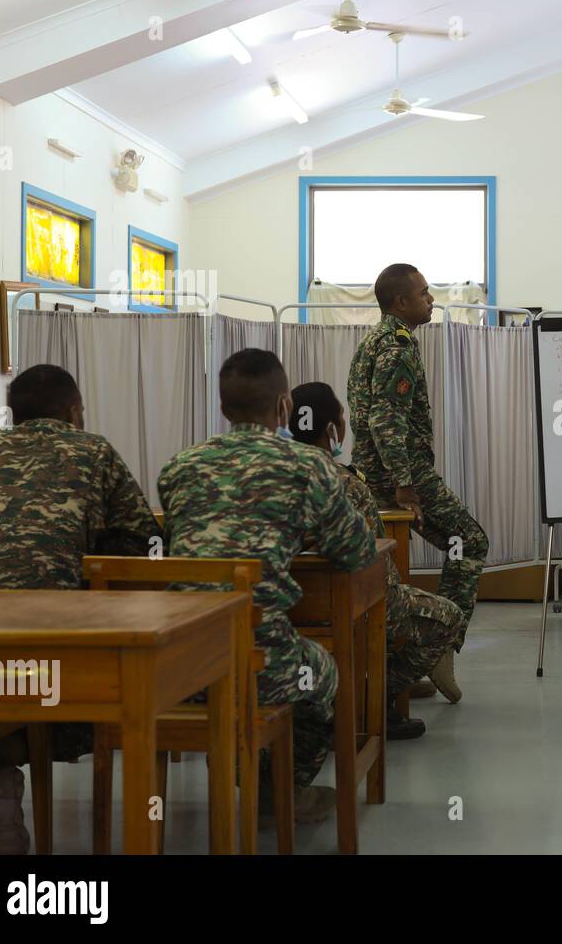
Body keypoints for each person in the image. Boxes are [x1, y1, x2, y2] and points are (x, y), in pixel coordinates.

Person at [159, 349, 378, 824]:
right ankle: (281, 792)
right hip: (263, 662)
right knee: (326, 673)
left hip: (179, 663)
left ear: (222, 410)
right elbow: (357, 554)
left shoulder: (179, 467)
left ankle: (240, 762)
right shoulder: (309, 467)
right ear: (284, 407)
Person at [0, 364, 159, 853]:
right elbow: (142, 539)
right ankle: (4, 770)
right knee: (86, 694)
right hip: (52, 652)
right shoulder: (93, 450)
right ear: (74, 412)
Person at [289, 381, 465, 739]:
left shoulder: (272, 477)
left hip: (286, 608)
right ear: (331, 429)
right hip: (348, 607)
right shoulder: (348, 485)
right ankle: (371, 698)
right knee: (448, 619)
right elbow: (378, 578)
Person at [347, 264, 489, 703]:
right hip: (401, 475)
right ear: (400, 302)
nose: (431, 300)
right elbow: (385, 419)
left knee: (447, 549)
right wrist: (406, 486)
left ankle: (412, 662)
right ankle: (438, 648)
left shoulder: (374, 340)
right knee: (470, 541)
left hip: (376, 474)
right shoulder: (397, 346)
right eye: (424, 294)